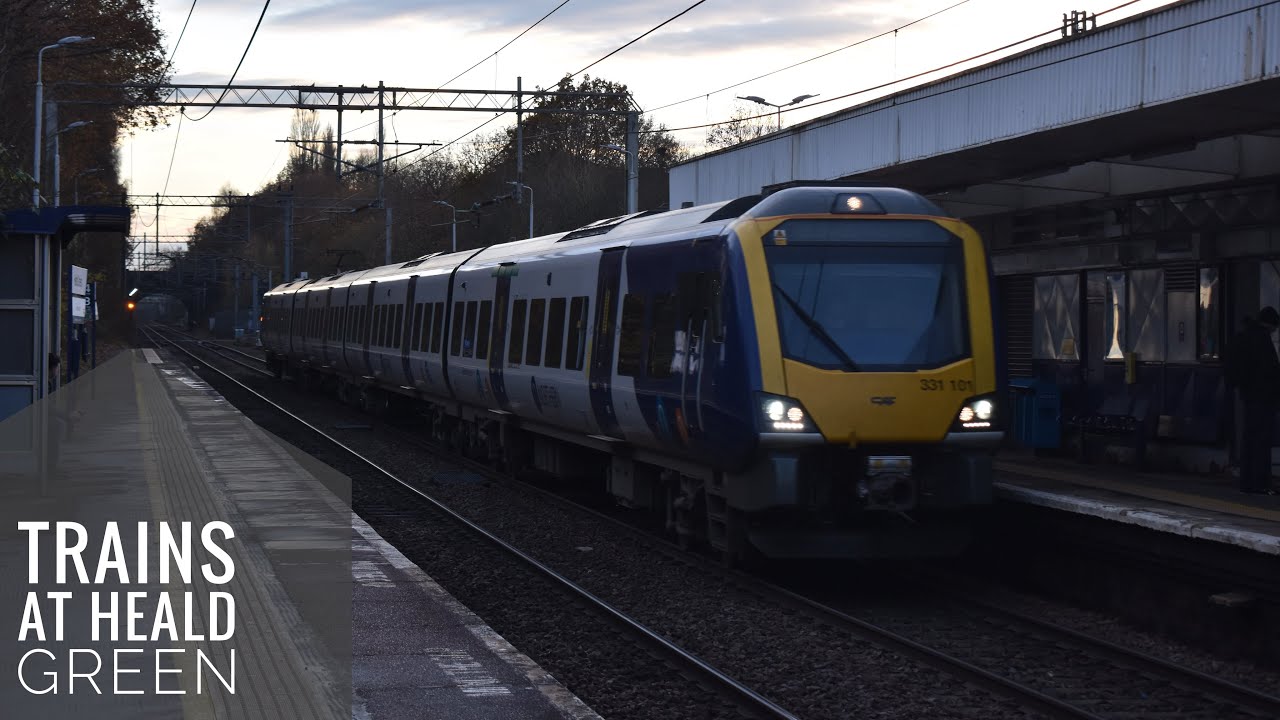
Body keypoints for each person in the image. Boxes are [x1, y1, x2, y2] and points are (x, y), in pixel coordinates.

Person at [1225, 307, 1280, 495]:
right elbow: (1270, 371)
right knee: (1262, 441)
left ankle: (1247, 483)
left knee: (1249, 439)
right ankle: (1261, 483)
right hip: (1263, 398)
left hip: (1248, 396)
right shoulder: (1262, 340)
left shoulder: (1245, 337)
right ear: (1271, 324)